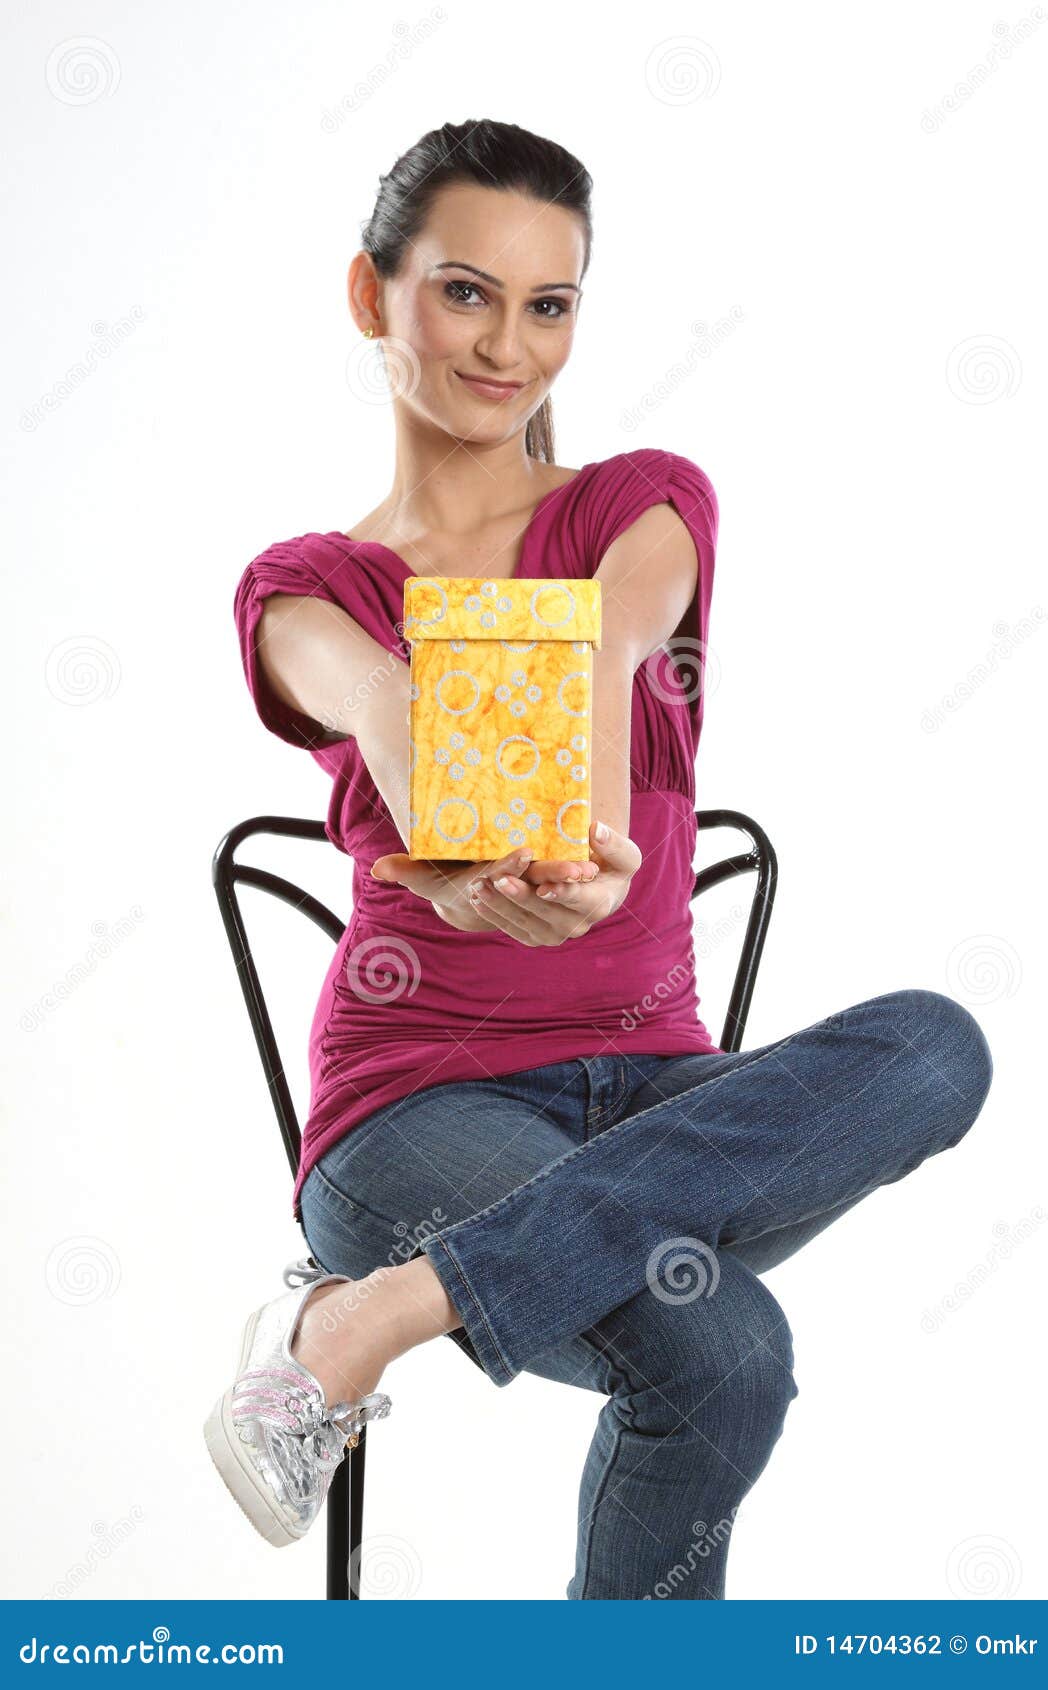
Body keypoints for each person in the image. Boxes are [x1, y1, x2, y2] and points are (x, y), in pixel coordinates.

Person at [205, 119, 995, 1598]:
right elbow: (364, 687)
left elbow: (624, 619)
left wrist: (593, 767)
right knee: (729, 1352)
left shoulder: (636, 499)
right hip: (419, 1107)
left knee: (940, 1048)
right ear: (374, 299)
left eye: (548, 304)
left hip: (660, 1089)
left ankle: (362, 1326)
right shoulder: (311, 582)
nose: (509, 346)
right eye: (464, 292)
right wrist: (431, 812)